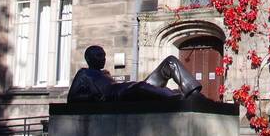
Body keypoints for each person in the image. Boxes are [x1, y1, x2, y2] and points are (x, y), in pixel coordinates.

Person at [68, 45, 203, 103]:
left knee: (170, 62)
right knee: (140, 87)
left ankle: (193, 91)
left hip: (127, 90)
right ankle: (177, 97)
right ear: (89, 58)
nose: (103, 58)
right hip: (118, 96)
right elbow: (72, 98)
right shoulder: (84, 74)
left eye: (103, 55)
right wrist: (92, 97)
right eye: (99, 56)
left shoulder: (105, 73)